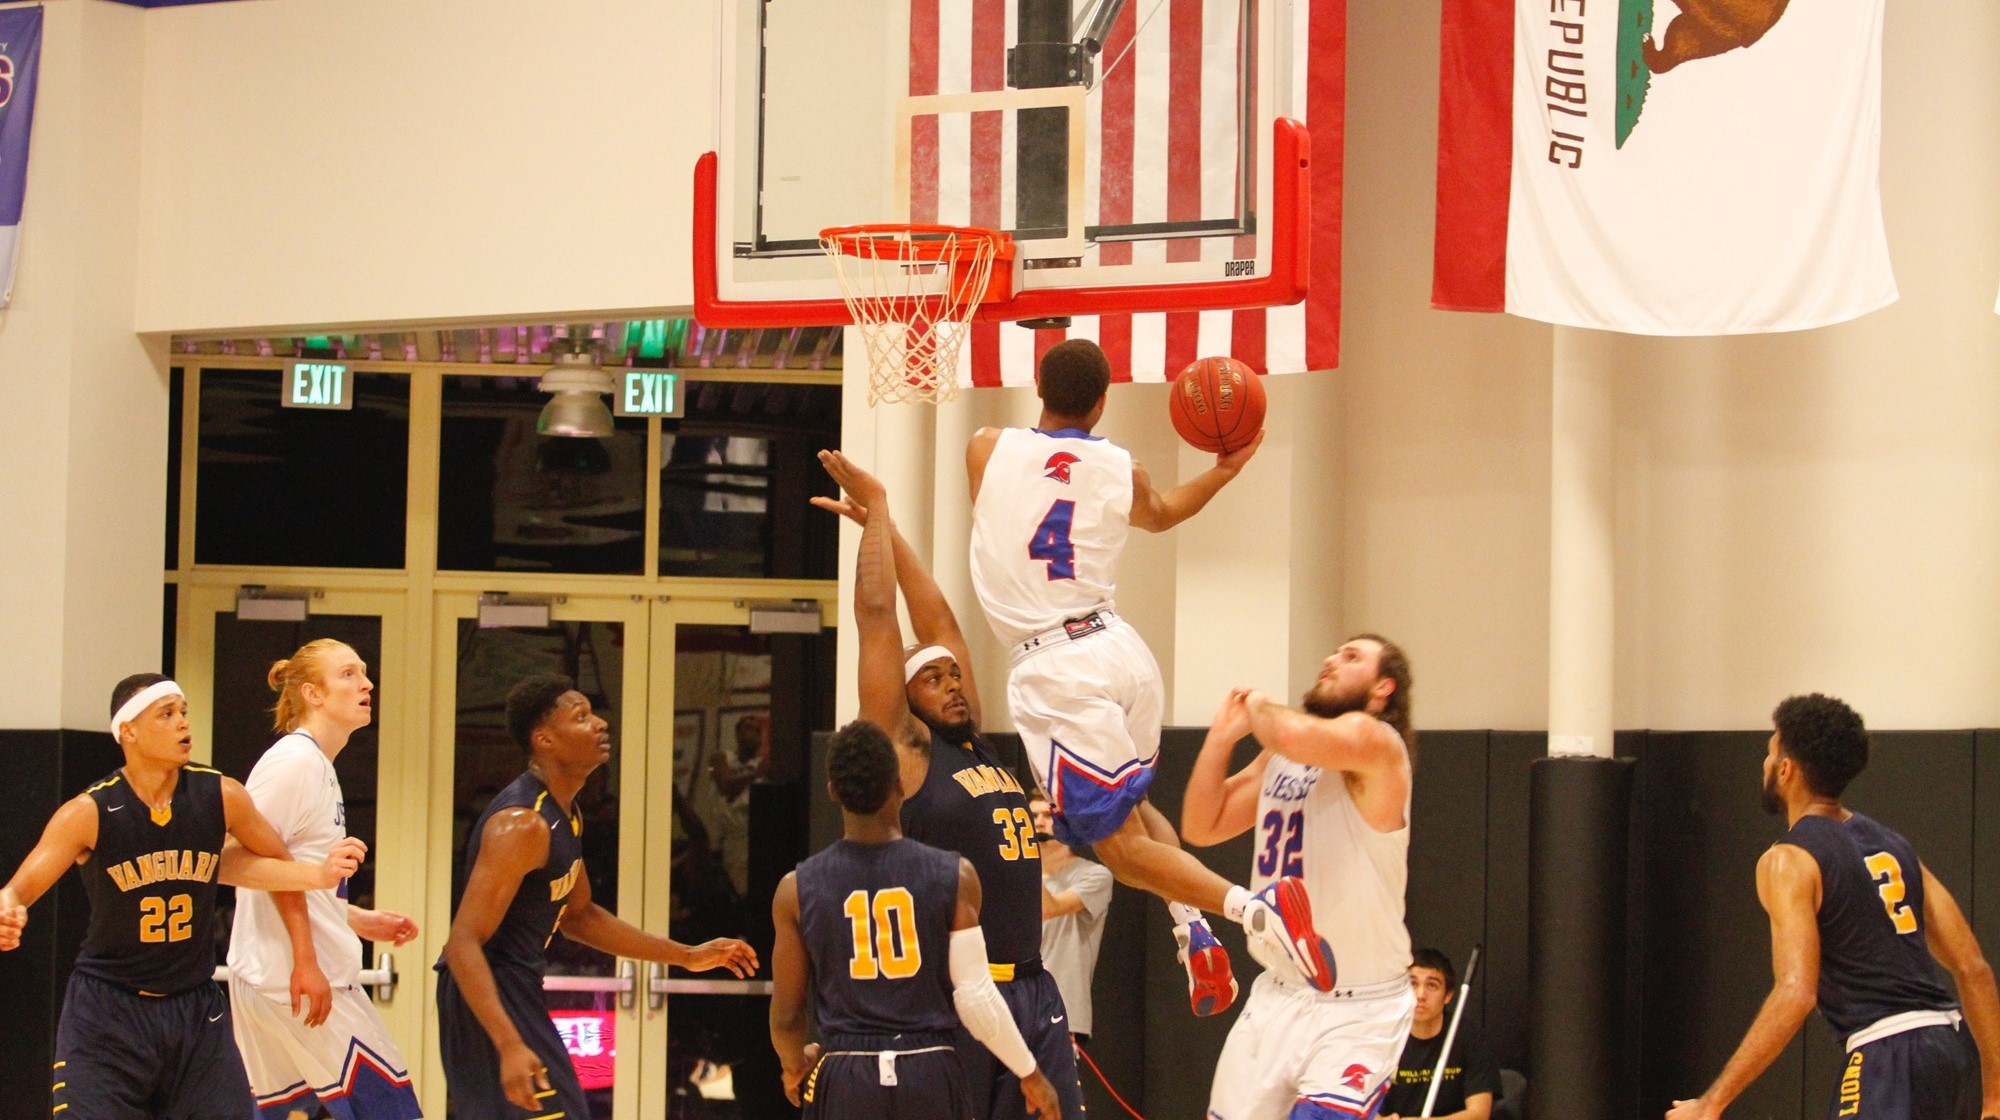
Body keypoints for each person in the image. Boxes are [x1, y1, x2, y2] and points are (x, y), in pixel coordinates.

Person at [964, 338, 1331, 1009]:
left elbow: (1002, 520)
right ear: (1103, 402)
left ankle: (1255, 911)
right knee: (1132, 810)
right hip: (1120, 650)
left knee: (1121, 850)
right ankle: (1194, 932)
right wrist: (1226, 468)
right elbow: (1161, 515)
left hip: (1055, 667)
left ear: (1039, 387)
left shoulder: (985, 448)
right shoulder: (1120, 469)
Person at [814, 450, 1087, 1120]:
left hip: (1033, 986)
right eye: (933, 680)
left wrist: (889, 531)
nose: (953, 685)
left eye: (955, 676)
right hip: (962, 995)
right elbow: (878, 616)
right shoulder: (909, 749)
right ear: (905, 700)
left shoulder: (978, 746)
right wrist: (877, 510)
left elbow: (942, 626)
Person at [0, 674, 366, 1120]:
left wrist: (305, 958)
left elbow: (279, 868)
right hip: (109, 1009)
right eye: (167, 714)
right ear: (129, 731)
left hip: (194, 1007)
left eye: (184, 712)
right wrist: (8, 908)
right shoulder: (88, 812)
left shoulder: (222, 795)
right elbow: (18, 889)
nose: (183, 723)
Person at [436, 673, 761, 1119]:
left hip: (518, 988)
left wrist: (686, 956)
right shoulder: (522, 825)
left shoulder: (566, 814)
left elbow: (581, 916)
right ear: (545, 740)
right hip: (485, 995)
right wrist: (508, 1044)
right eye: (582, 716)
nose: (601, 723)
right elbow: (462, 943)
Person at [1666, 694, 2000, 1120]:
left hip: (1887, 1053)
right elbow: (1972, 967)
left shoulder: (1787, 860)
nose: (1766, 763)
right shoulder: (1895, 847)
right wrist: (1994, 1094)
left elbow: (1796, 991)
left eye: (1770, 753)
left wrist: (1712, 1103)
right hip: (1950, 1049)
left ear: (1786, 770)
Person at [769, 719, 1062, 1119]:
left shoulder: (795, 889)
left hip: (846, 1071)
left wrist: (792, 1066)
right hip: (929, 1068)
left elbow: (787, 1016)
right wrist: (1029, 1071)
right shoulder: (955, 876)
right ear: (899, 784)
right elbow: (976, 997)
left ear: (833, 790)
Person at [1181, 635, 1419, 1120]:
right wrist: (1221, 737)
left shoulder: (1377, 743)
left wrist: (1256, 702)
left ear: (1383, 688)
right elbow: (1201, 825)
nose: (1331, 659)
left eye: (1352, 657)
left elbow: (1288, 732)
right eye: (1334, 652)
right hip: (1278, 992)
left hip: (1359, 1008)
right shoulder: (1281, 757)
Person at [228, 639, 423, 1120]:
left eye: (364, 672)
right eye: (349, 674)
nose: (367, 684)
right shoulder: (294, 763)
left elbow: (285, 869)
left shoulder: (315, 763)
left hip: (277, 977)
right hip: (296, 980)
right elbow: (230, 861)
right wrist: (306, 957)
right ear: (313, 694)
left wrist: (348, 915)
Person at [1030, 793, 1114, 1049]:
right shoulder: (1015, 878)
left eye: (1048, 816)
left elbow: (1049, 908)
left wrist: (1026, 859)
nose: (1039, 823)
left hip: (1063, 1011)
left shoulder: (1094, 875)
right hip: (1016, 1008)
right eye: (1032, 816)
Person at [1380, 948, 1500, 1120]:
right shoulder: (1382, 1039)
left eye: (1432, 986)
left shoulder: (1472, 1038)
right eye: (1412, 984)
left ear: (1448, 996)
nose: (1420, 995)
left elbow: (1479, 1114)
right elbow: (1360, 1108)